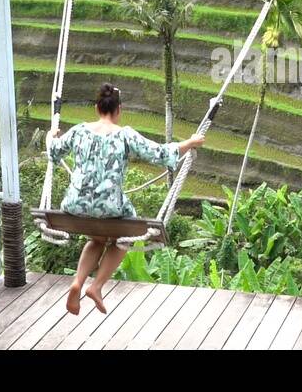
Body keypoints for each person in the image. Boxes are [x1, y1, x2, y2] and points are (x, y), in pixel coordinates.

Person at [47, 83, 205, 315]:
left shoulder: (79, 130)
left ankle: (77, 282)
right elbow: (160, 154)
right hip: (109, 208)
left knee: (98, 239)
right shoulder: (124, 135)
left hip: (74, 206)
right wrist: (190, 143)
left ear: (96, 107)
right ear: (118, 109)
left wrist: (51, 136)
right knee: (127, 235)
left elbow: (53, 152)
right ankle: (97, 286)